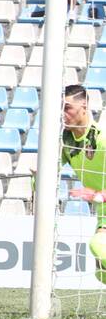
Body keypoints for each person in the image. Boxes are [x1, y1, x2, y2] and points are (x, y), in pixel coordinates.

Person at [61, 84, 106, 285]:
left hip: (102, 200)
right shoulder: (64, 141)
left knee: (98, 245)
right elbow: (46, 169)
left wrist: (99, 195)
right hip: (104, 210)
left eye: (67, 107)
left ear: (84, 106)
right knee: (101, 271)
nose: (63, 113)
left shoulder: (102, 138)